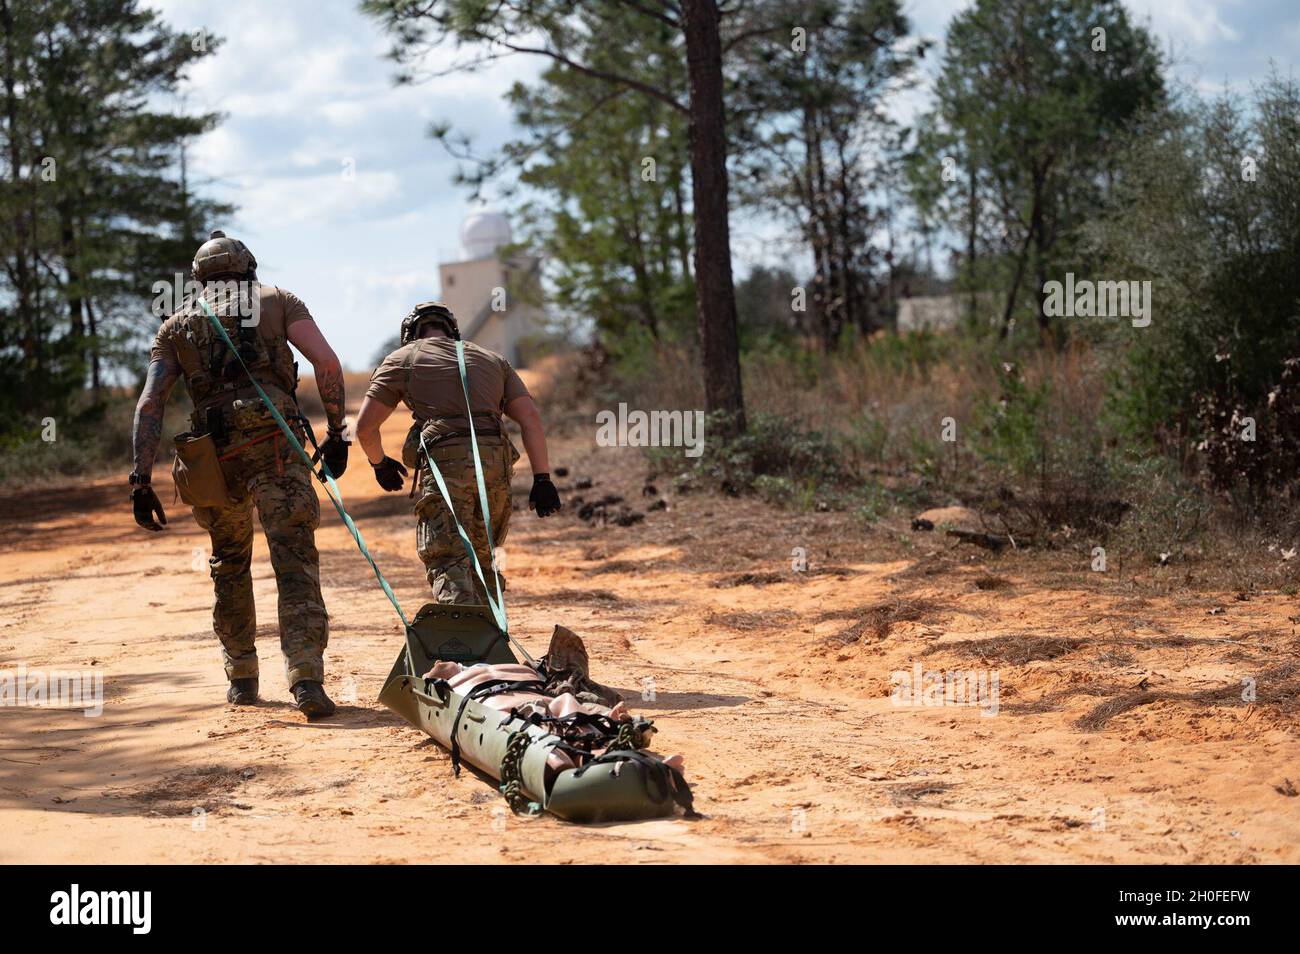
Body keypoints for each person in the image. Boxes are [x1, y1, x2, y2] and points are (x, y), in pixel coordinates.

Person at [129, 231, 350, 718]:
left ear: (198, 277)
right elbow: (328, 363)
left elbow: (151, 404)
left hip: (214, 454)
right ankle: (306, 679)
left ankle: (243, 678)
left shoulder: (176, 325)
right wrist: (336, 433)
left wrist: (140, 480)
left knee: (229, 563)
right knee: (294, 560)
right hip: (276, 444)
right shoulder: (279, 300)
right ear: (248, 266)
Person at [354, 301, 560, 605]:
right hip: (495, 461)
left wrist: (379, 463)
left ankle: (465, 640)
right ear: (452, 330)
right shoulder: (492, 359)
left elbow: (365, 427)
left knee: (448, 557)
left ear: (411, 334)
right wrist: (543, 479)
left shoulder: (402, 359)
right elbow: (530, 417)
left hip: (446, 463)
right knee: (485, 554)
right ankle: (492, 638)